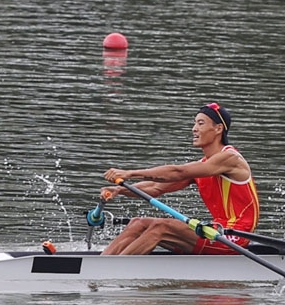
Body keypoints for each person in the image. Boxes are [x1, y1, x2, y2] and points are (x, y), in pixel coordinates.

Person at [100, 103, 260, 255]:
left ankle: (111, 270)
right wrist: (120, 190)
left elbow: (178, 171)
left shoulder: (230, 158)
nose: (194, 129)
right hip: (216, 230)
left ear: (218, 129)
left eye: (201, 123)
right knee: (137, 223)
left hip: (236, 236)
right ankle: (102, 262)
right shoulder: (204, 165)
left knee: (161, 227)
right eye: (194, 123)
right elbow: (155, 187)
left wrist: (130, 173)